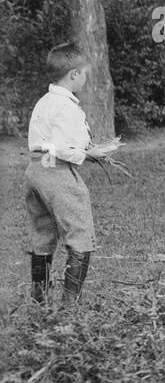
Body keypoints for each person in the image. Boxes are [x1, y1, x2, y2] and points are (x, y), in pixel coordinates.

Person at [25, 44, 120, 305]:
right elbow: (62, 147)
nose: (86, 78)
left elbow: (44, 142)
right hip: (56, 173)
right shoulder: (66, 106)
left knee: (43, 234)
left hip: (36, 170)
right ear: (74, 74)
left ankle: (39, 302)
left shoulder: (45, 101)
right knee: (80, 235)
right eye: (85, 73)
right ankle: (70, 309)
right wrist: (92, 154)